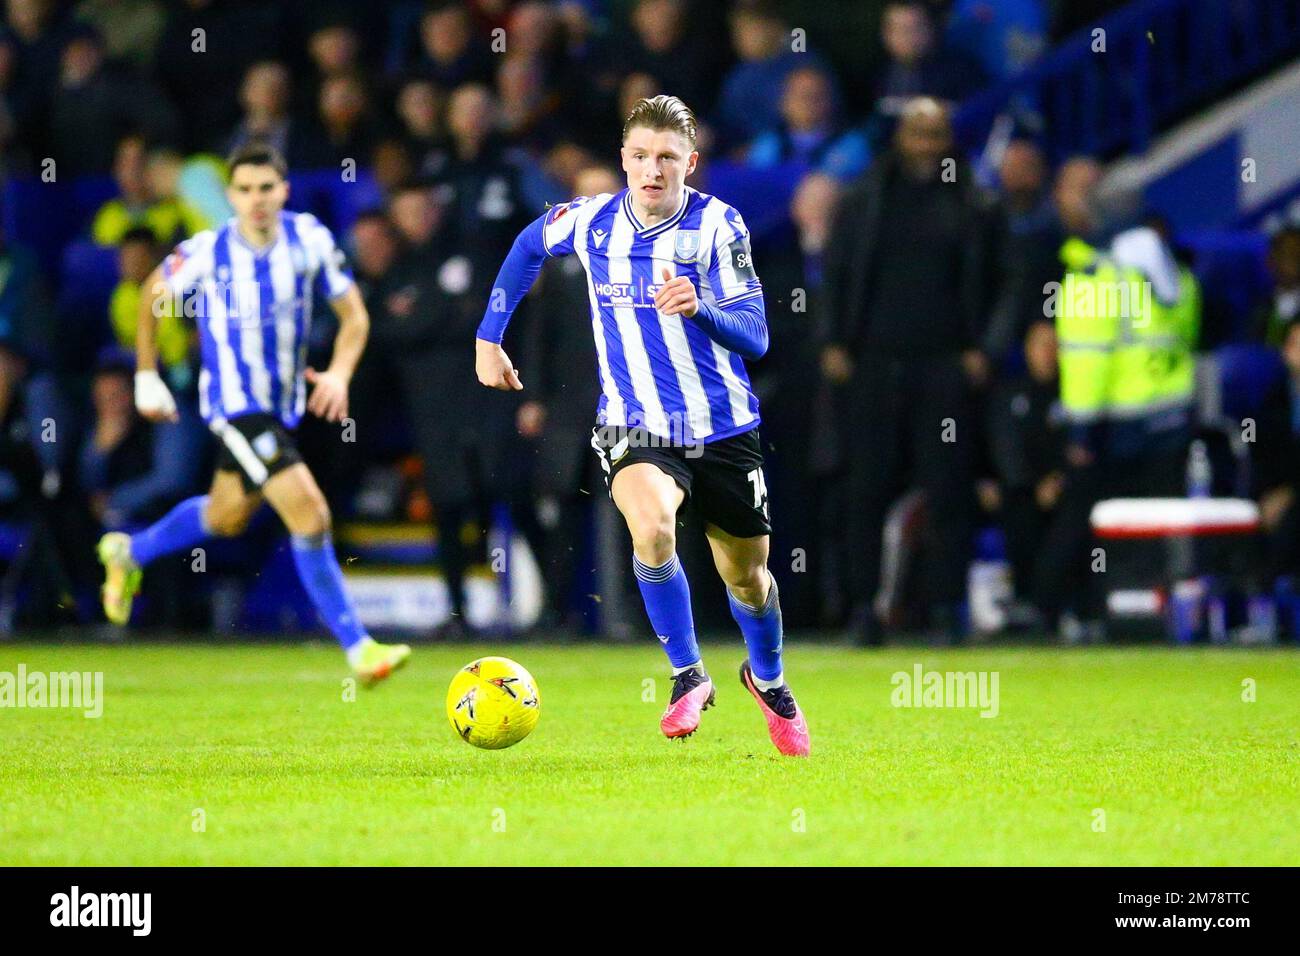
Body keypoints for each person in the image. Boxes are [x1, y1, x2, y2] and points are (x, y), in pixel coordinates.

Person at [475, 95, 809, 756]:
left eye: (666, 157)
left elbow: (758, 337)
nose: (652, 169)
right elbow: (526, 245)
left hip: (722, 427)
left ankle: (766, 677)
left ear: (691, 162)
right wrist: (490, 336)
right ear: (623, 160)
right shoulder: (594, 220)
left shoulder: (719, 226)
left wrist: (703, 308)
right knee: (651, 525)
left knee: (748, 577)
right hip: (635, 425)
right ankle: (687, 674)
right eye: (639, 156)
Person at [96, 143, 410, 683]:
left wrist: (337, 373)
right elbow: (152, 296)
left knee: (225, 516)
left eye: (267, 188)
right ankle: (360, 649)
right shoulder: (208, 249)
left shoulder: (309, 238)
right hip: (234, 407)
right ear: (231, 195)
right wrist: (146, 377)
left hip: (280, 408)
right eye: (244, 190)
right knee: (311, 514)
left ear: (283, 191)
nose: (256, 199)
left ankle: (128, 551)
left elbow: (354, 317)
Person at [820, 97, 1005, 646]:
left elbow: (1003, 282)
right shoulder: (864, 199)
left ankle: (948, 609)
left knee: (948, 487)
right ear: (899, 136)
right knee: (866, 489)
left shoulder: (974, 203)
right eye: (917, 132)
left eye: (936, 134)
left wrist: (984, 350)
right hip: (874, 363)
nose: (926, 144)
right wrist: (833, 339)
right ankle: (863, 609)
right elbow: (836, 272)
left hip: (944, 364)